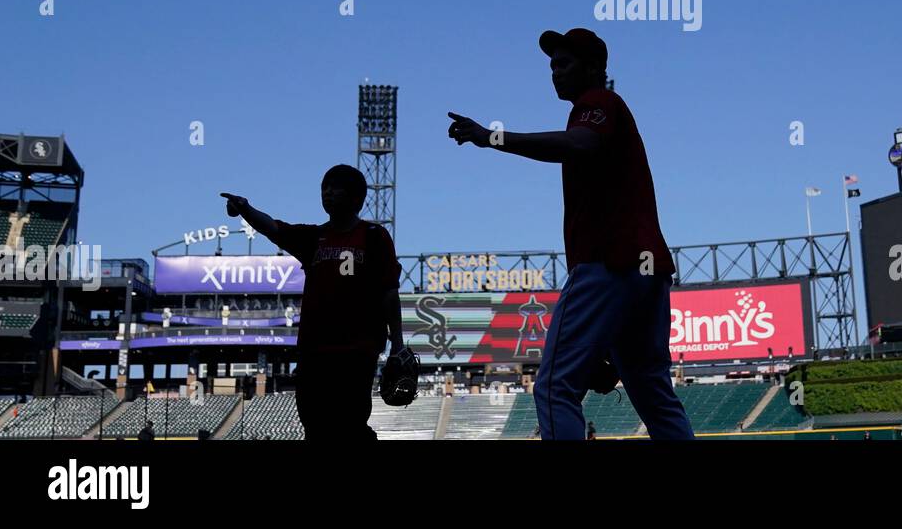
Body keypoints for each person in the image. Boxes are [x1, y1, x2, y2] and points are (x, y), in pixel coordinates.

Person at [448, 28, 694, 440]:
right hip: (646, 271)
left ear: (594, 68)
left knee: (552, 386)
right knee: (653, 393)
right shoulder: (607, 108)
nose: (554, 73)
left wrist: (491, 137)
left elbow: (579, 144)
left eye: (564, 63)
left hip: (609, 263)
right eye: (552, 66)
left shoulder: (598, 102)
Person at [221, 164, 404, 442]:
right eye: (324, 187)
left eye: (335, 187)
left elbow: (389, 294)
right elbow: (274, 228)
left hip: (356, 352)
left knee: (350, 425)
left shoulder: (374, 236)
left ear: (356, 198)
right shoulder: (312, 237)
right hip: (314, 352)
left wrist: (398, 344)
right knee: (314, 426)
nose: (328, 192)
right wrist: (246, 209)